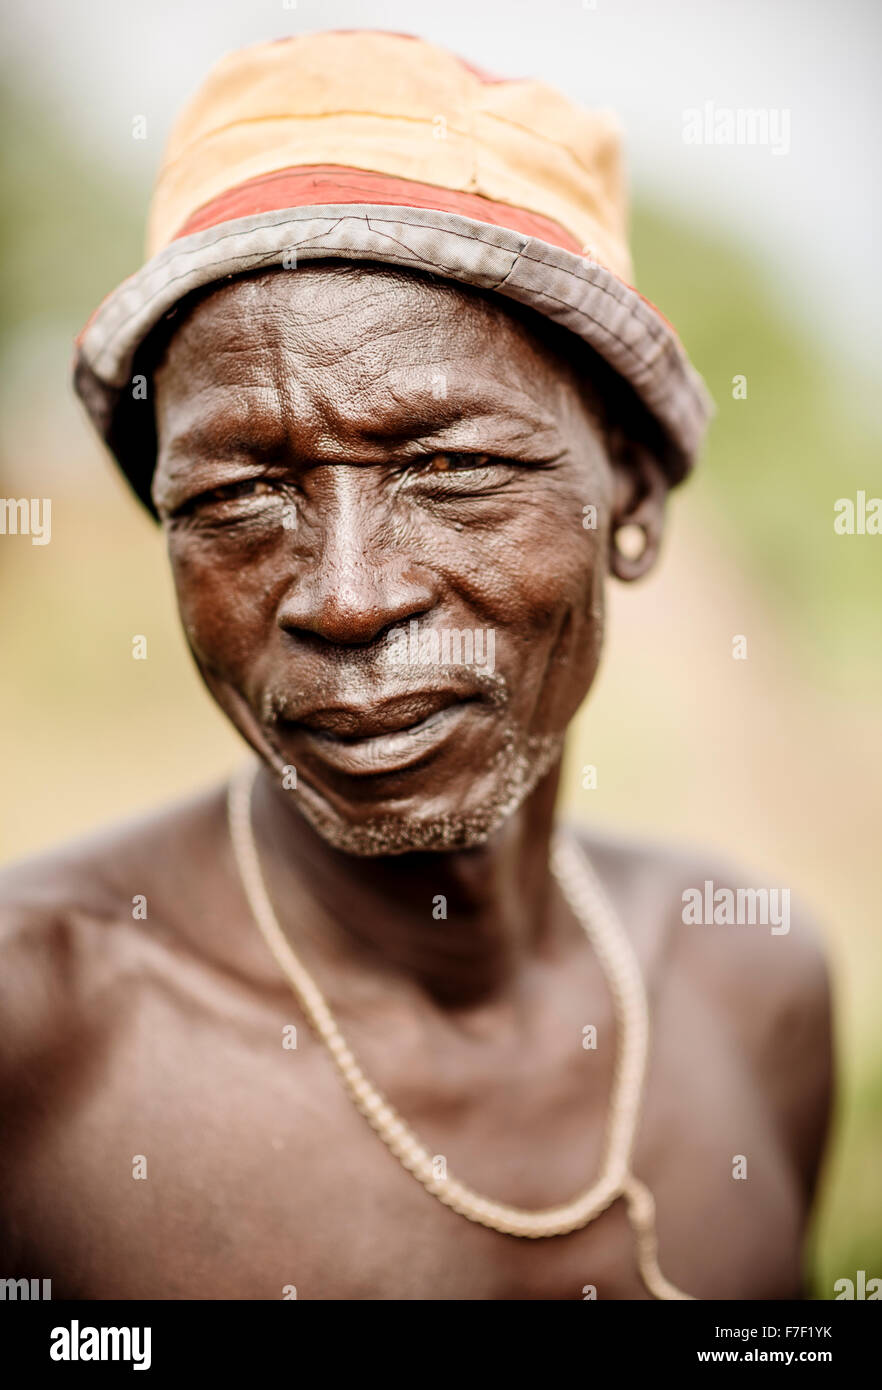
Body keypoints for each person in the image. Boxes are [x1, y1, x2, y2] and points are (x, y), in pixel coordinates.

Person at [0, 30, 832, 1300]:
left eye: (451, 469)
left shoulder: (753, 991)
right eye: (238, 494)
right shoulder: (38, 1031)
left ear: (634, 491)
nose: (346, 598)